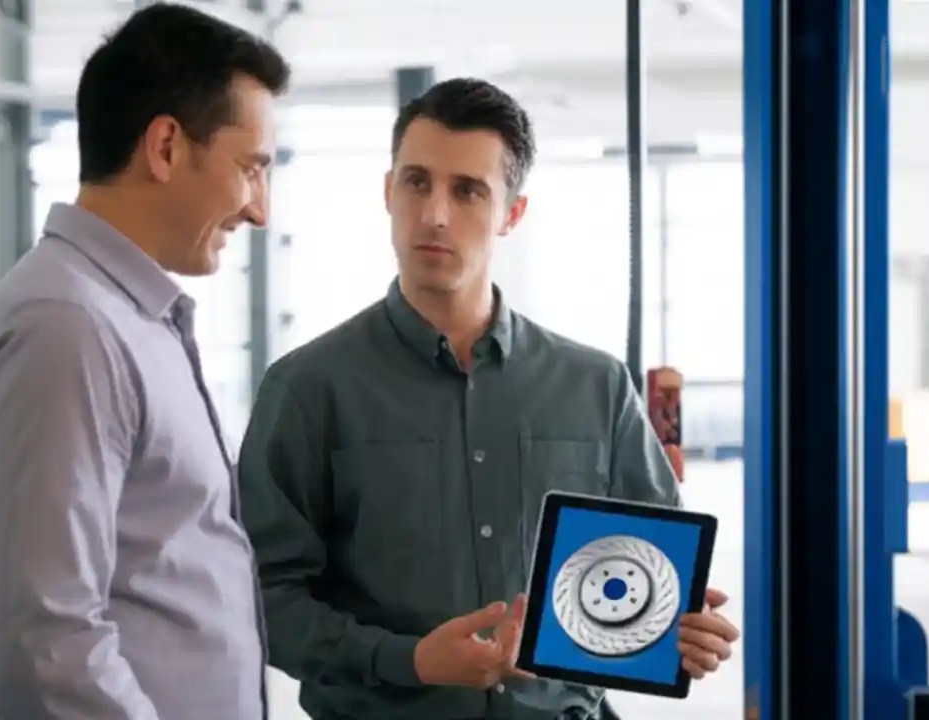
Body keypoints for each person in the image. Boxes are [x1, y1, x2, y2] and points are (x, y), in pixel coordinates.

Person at [237, 78, 740, 720]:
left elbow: (654, 581)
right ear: (388, 192)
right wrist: (408, 658)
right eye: (417, 182)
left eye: (468, 190)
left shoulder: (596, 388)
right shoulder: (308, 388)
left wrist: (680, 635)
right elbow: (261, 598)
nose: (436, 213)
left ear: (512, 213)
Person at [0, 5, 289, 719]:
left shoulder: (126, 320)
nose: (260, 210)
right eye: (250, 169)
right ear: (164, 146)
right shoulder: (65, 332)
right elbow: (46, 652)